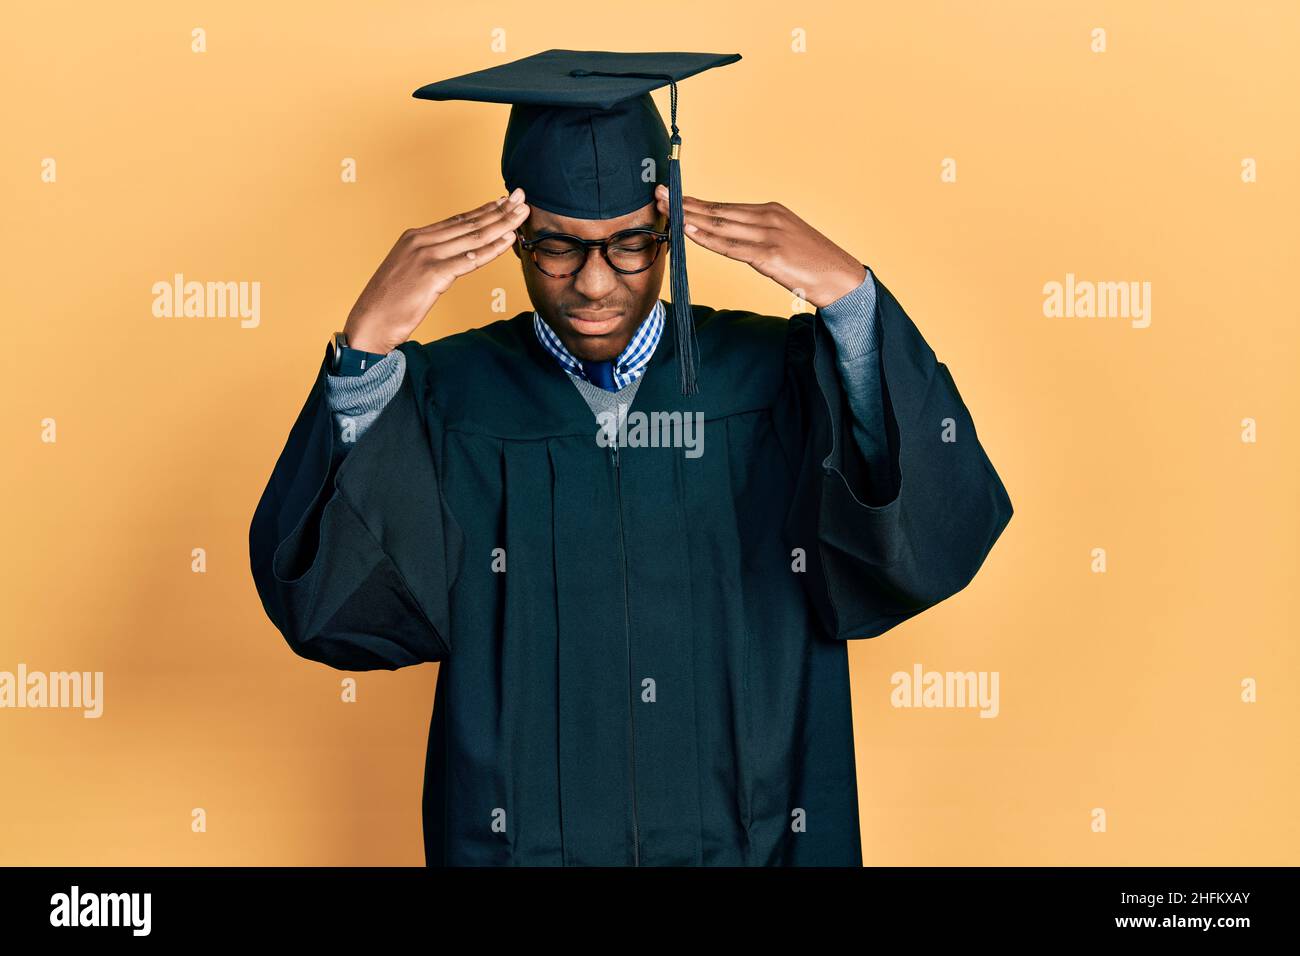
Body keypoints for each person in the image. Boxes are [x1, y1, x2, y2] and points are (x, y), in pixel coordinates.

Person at [248, 50, 1014, 866]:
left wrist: (854, 303)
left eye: (629, 246)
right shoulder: (446, 396)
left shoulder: (780, 378)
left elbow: (929, 541)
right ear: (514, 239)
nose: (594, 284)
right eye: (557, 248)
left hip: (758, 839)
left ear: (667, 224)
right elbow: (333, 610)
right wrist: (365, 353)